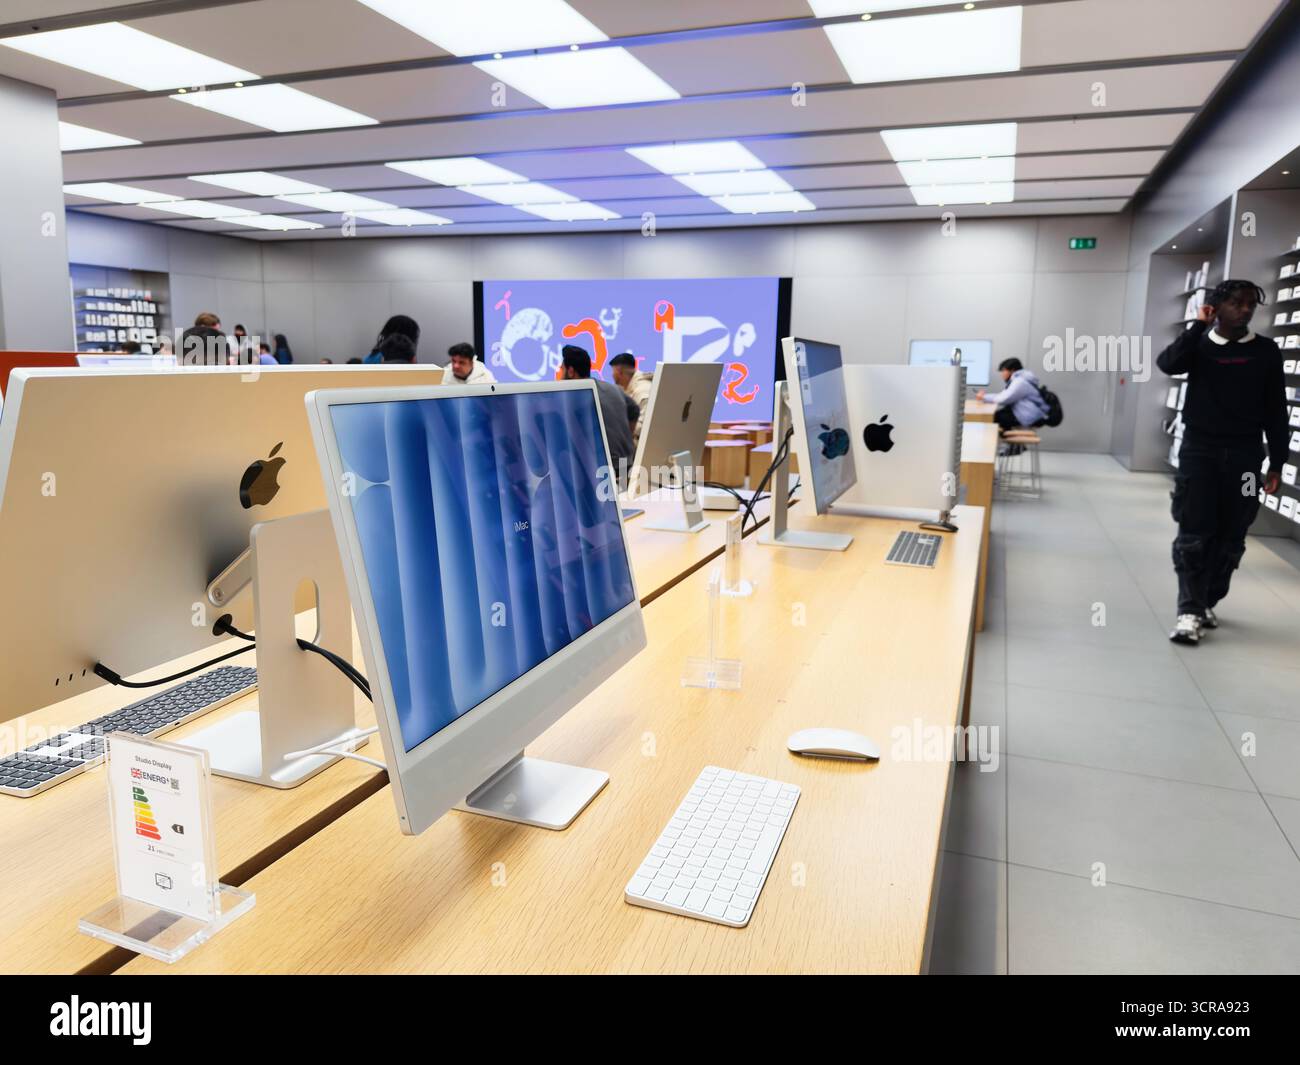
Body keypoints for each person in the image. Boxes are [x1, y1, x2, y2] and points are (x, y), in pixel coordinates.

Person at [1156, 279, 1287, 645]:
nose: (1244, 310)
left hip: (1247, 459)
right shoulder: (1198, 345)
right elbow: (1168, 363)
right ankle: (1189, 610)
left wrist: (1276, 463)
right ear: (1217, 306)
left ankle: (1207, 600)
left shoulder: (1266, 351)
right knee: (1194, 530)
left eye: (1250, 305)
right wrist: (1198, 324)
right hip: (1200, 453)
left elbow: (1277, 411)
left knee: (1234, 533)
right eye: (1236, 303)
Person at [560, 344, 637, 484]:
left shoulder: (573, 396)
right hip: (631, 468)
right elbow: (634, 410)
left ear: (570, 371)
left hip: (604, 476)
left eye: (561, 369)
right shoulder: (614, 389)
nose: (559, 375)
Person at [976, 357, 1050, 432]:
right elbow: (1003, 395)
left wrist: (984, 397)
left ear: (1012, 370)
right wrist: (985, 397)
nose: (1002, 374)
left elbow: (1003, 399)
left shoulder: (1020, 382)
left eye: (1003, 371)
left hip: (1028, 416)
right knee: (997, 416)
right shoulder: (1020, 380)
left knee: (993, 418)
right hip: (1027, 413)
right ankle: (1005, 440)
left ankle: (997, 441)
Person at [609, 352, 652, 448]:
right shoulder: (630, 389)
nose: (612, 376)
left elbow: (645, 427)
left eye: (613, 372)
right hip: (633, 451)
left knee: (619, 460)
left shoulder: (642, 391)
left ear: (619, 372)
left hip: (641, 454)